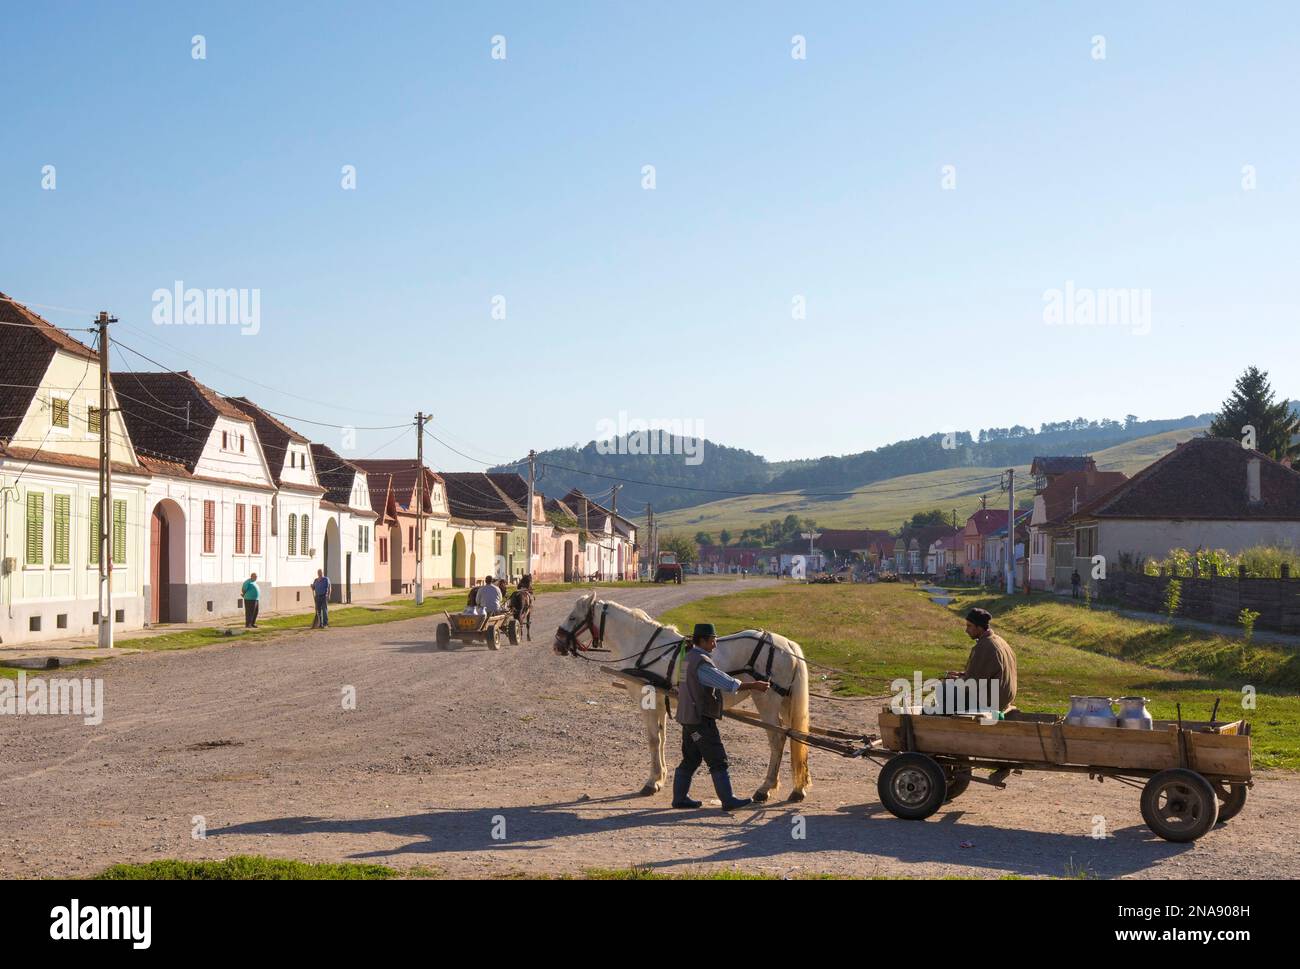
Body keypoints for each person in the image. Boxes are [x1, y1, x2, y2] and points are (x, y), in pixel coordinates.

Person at [672, 622, 771, 811]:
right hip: (699, 720)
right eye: (713, 640)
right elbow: (725, 682)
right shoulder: (701, 661)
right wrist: (753, 685)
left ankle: (680, 798)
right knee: (718, 759)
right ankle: (728, 800)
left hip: (687, 718)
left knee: (691, 759)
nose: (715, 645)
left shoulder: (688, 658)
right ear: (703, 640)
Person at [947, 608, 1017, 714]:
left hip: (991, 702)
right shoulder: (1000, 641)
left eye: (969, 626)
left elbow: (972, 684)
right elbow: (986, 673)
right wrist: (961, 675)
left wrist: (954, 682)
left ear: (979, 627)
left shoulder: (984, 647)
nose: (966, 630)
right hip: (1003, 699)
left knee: (944, 691)